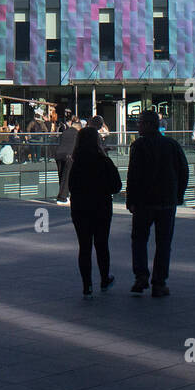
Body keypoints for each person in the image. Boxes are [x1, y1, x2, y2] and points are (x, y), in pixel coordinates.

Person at [125, 108, 189, 297]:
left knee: (139, 240)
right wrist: (178, 195)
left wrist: (131, 200)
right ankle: (159, 282)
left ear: (149, 125)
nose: (138, 126)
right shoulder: (171, 144)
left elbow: (133, 175)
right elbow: (183, 170)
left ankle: (141, 277)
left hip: (144, 202)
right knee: (163, 243)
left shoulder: (138, 146)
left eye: (141, 123)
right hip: (166, 202)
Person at [66, 125, 123, 296]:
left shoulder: (76, 163)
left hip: (80, 208)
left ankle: (87, 286)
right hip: (101, 207)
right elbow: (117, 186)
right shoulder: (104, 161)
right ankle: (104, 279)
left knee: (84, 247)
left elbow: (71, 186)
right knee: (101, 244)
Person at [53, 109, 79, 206]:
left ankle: (64, 195)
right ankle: (62, 197)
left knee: (61, 175)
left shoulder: (66, 132)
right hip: (69, 155)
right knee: (67, 176)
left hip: (59, 154)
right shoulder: (77, 133)